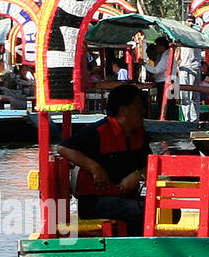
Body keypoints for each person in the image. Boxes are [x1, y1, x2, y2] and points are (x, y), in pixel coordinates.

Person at [57, 84, 149, 228]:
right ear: (123, 110)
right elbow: (63, 148)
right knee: (142, 211)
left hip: (125, 198)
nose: (143, 111)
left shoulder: (139, 134)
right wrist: (95, 168)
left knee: (170, 211)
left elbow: (150, 164)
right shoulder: (99, 131)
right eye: (139, 107)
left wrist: (138, 175)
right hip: (95, 201)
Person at [176, 43, 204, 124]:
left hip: (194, 66)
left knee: (194, 96)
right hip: (184, 67)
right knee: (184, 96)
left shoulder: (194, 34)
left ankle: (194, 120)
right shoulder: (182, 35)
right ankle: (186, 120)